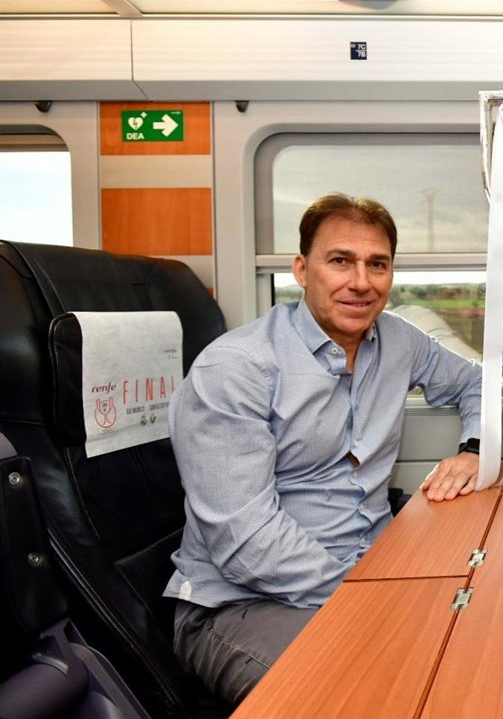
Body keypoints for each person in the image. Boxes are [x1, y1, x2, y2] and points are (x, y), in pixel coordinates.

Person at [164, 194, 483, 705]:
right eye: (340, 261)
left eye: (377, 264)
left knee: (476, 650)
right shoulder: (235, 369)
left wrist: (474, 449)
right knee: (368, 695)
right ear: (301, 270)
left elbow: (476, 383)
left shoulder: (399, 341)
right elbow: (247, 542)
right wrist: (374, 597)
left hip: (372, 571)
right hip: (245, 604)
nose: (361, 281)